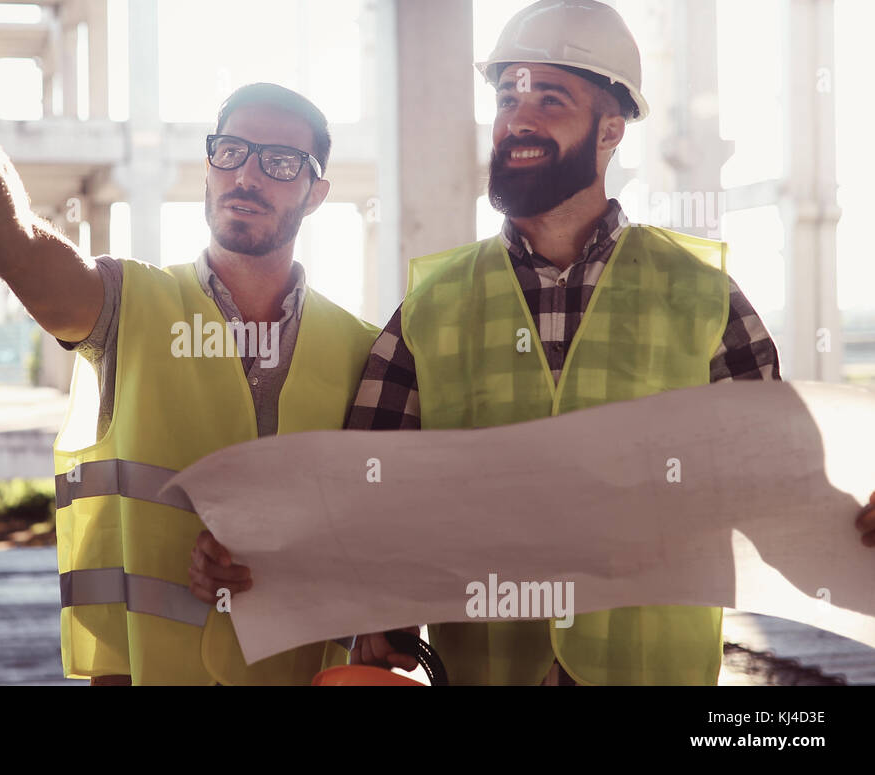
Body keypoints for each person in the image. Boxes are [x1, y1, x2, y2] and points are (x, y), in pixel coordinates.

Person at [345, 0, 875, 685]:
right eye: (508, 95)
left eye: (551, 98)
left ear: (612, 129)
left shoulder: (702, 297)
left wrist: (857, 527)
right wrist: (373, 603)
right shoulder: (434, 304)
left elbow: (776, 489)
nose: (519, 117)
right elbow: (363, 490)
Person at [0, 0, 379, 685]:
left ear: (316, 191)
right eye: (232, 152)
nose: (247, 175)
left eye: (279, 162)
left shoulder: (366, 351)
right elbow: (13, 246)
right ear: (210, 168)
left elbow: (383, 539)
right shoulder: (129, 305)